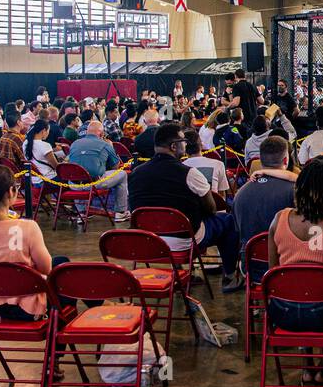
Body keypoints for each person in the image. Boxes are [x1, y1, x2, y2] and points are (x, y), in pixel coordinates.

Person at [266, 156, 323, 387]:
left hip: (283, 312)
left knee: (299, 290)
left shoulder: (279, 219)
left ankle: (308, 366)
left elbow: (273, 273)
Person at [127, 123, 244, 293]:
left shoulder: (136, 173)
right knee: (228, 221)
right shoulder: (189, 173)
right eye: (183, 140)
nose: (186, 144)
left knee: (173, 222)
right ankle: (230, 276)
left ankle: (182, 272)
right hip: (184, 239)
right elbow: (211, 208)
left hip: (150, 240)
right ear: (174, 146)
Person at [0, 165, 66, 321]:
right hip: (30, 306)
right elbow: (46, 268)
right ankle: (64, 333)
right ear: (10, 191)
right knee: (62, 267)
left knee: (60, 263)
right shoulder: (27, 227)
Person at [233, 136, 296, 267]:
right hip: (286, 264)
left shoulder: (240, 194)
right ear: (285, 160)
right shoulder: (295, 190)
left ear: (261, 161)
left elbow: (237, 232)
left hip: (251, 264)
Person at [67, 120, 129, 223]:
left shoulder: (74, 144)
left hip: (74, 185)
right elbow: (116, 167)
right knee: (122, 174)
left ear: (87, 132)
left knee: (79, 174)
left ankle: (82, 213)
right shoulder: (105, 144)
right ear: (101, 133)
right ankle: (121, 212)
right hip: (94, 183)